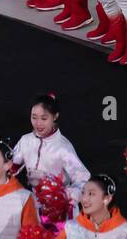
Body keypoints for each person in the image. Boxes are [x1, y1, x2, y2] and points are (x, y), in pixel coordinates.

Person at [13, 93, 91, 229]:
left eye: (44, 118)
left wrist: (67, 197)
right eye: (34, 117)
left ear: (55, 117)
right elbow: (11, 165)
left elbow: (83, 177)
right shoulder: (26, 140)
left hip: (59, 212)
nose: (38, 123)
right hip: (33, 206)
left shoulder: (63, 148)